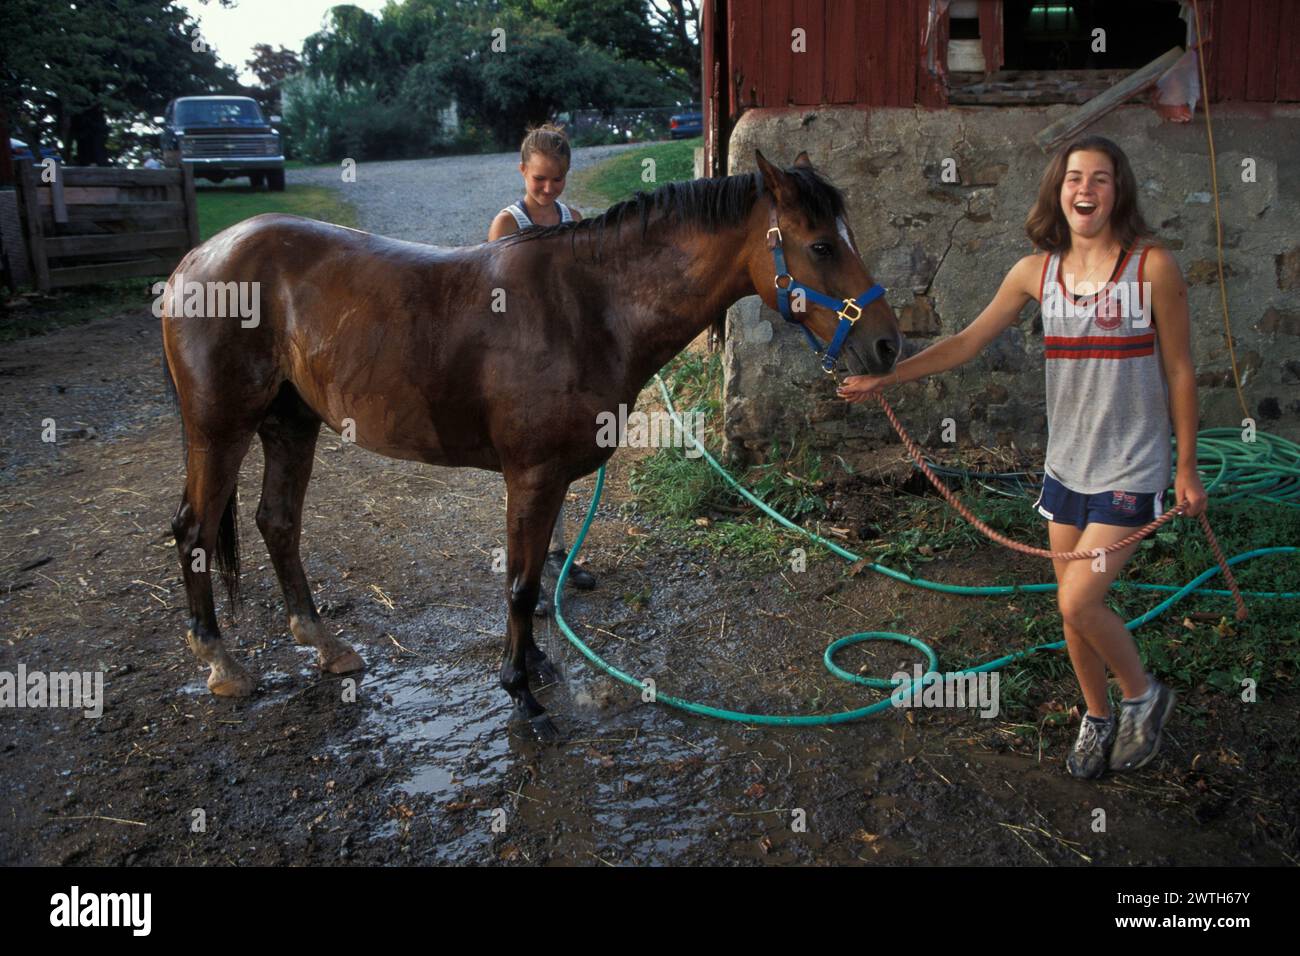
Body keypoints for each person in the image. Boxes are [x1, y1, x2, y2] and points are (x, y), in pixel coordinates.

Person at [837, 135, 1208, 779]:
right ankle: (1097, 717)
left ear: (1118, 191)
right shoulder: (1035, 272)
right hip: (1067, 467)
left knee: (1077, 603)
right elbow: (966, 342)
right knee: (1071, 602)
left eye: (1099, 178)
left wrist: (1185, 467)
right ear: (1056, 191)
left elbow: (1179, 369)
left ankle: (1142, 696)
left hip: (1133, 465)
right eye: (1072, 179)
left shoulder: (1152, 268)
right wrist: (887, 379)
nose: (1084, 190)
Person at [487, 123, 598, 615]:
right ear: (522, 172)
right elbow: (495, 298)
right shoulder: (507, 224)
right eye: (539, 180)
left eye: (557, 180)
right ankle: (524, 573)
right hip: (522, 360)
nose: (548, 189)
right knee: (530, 471)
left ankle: (557, 553)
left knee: (561, 463)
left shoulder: (572, 218)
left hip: (563, 359)